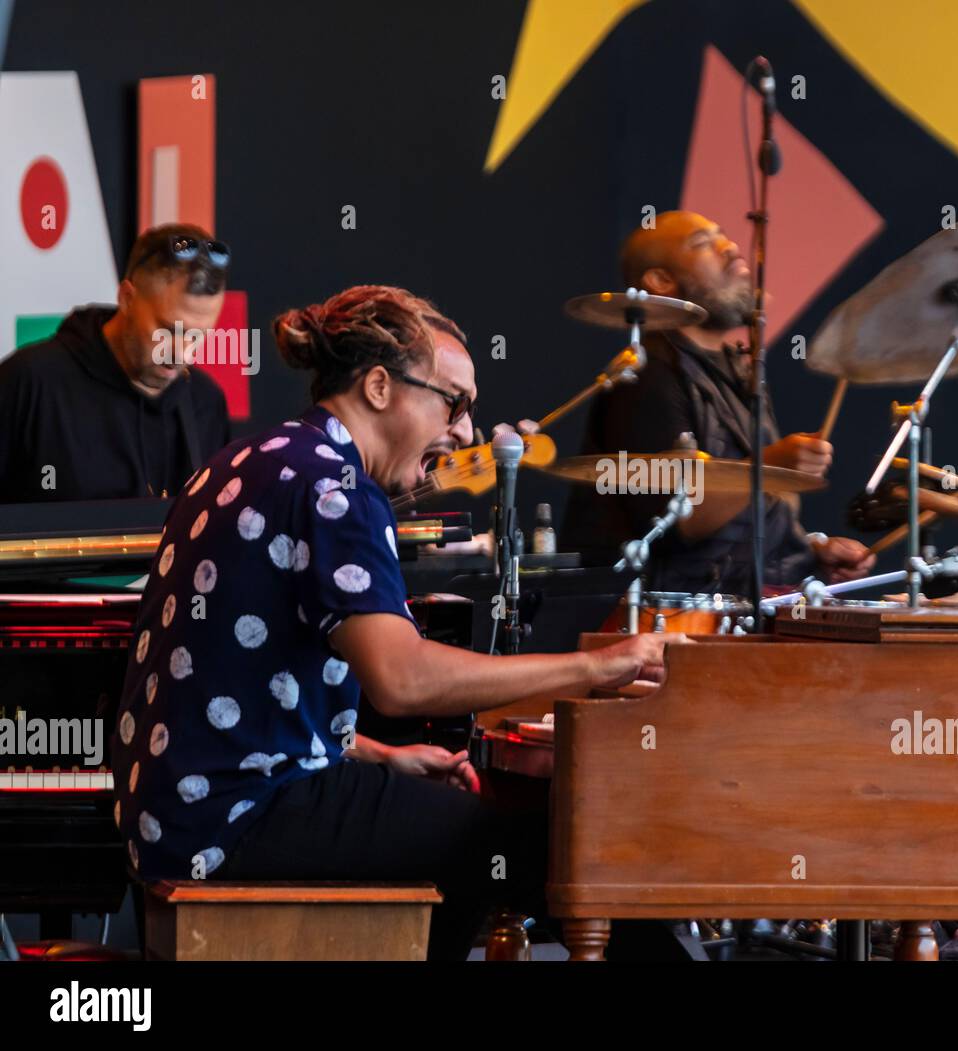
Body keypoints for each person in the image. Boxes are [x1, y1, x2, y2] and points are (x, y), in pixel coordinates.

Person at [110, 284, 679, 959]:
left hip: (178, 816)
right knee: (546, 850)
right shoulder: (337, 487)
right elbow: (402, 681)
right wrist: (596, 666)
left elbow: (241, 688)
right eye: (454, 402)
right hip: (239, 818)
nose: (466, 432)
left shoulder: (249, 461)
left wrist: (379, 757)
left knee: (467, 842)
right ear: (380, 387)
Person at [562, 211, 874, 595]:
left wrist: (810, 549)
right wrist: (767, 466)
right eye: (703, 243)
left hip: (757, 599)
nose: (731, 248)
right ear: (661, 281)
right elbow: (677, 523)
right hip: (677, 617)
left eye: (724, 236)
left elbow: (747, 520)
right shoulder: (648, 378)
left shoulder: (739, 372)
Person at [0, 223, 231, 503]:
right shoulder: (29, 382)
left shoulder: (206, 403)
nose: (181, 355)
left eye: (198, 335)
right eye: (169, 330)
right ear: (127, 298)